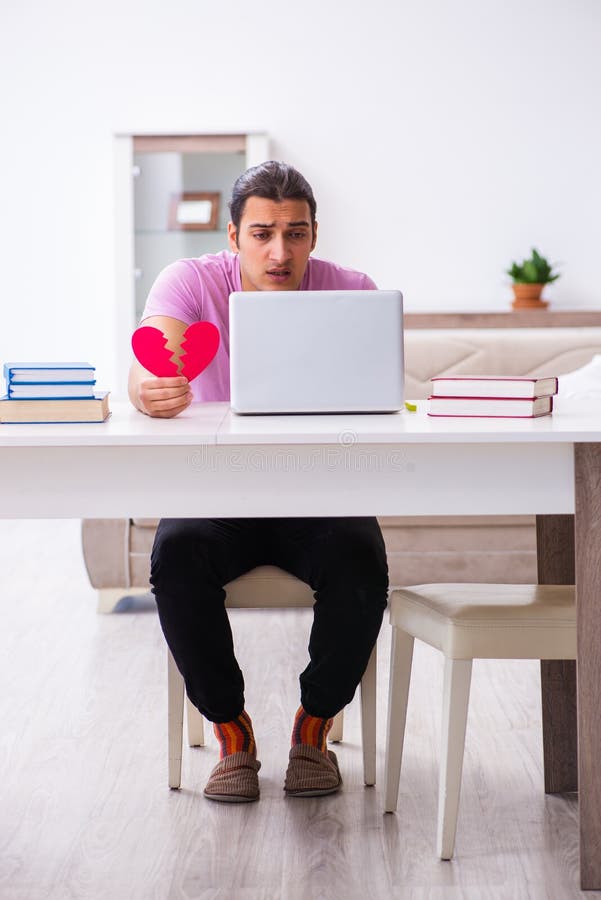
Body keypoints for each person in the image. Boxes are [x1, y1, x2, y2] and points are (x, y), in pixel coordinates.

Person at [129, 161, 389, 802]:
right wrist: (148, 392)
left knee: (362, 558)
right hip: (217, 491)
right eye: (263, 234)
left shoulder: (352, 290)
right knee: (175, 554)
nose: (280, 252)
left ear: (315, 235)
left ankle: (313, 726)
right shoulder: (188, 281)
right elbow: (148, 365)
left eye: (296, 234)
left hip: (318, 493)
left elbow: (379, 391)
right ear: (233, 236)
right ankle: (230, 729)